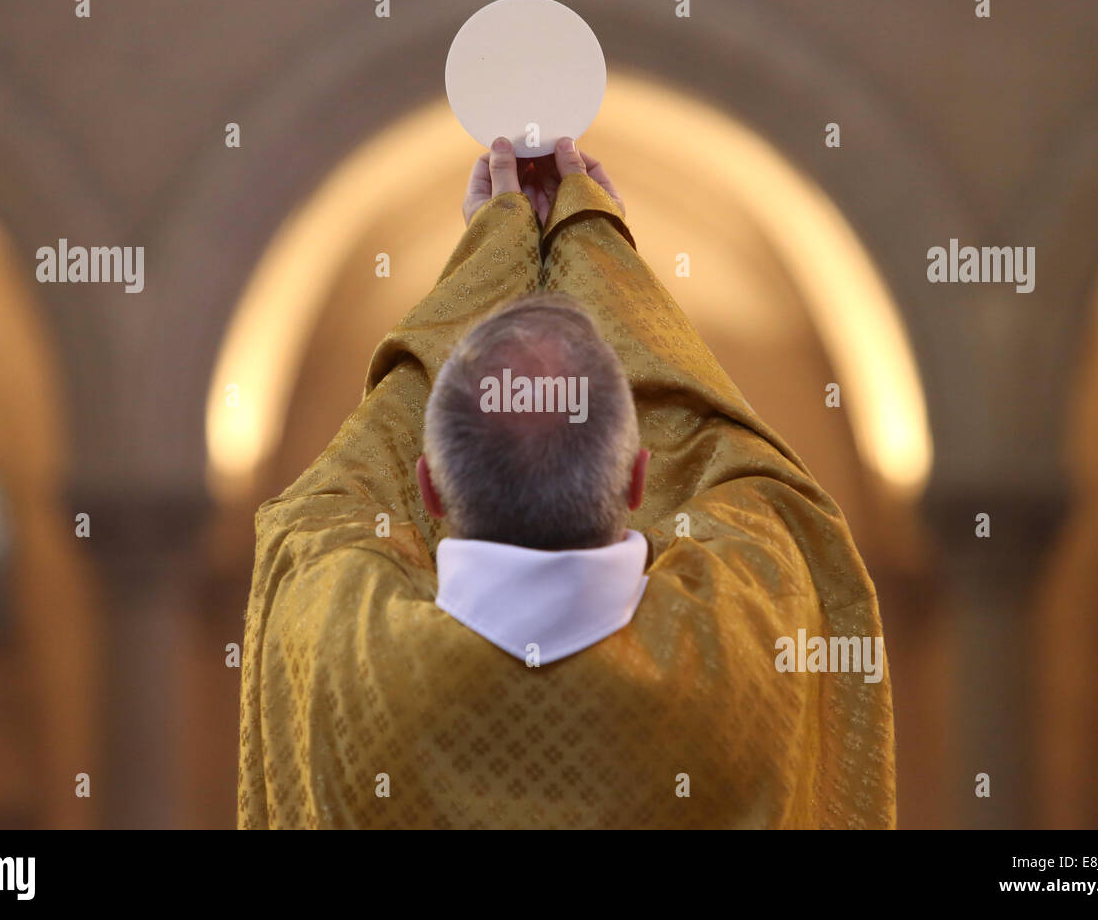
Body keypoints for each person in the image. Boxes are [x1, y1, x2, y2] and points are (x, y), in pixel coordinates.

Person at [238, 137, 896, 828]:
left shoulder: (343, 645)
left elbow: (335, 487)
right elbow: (750, 470)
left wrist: (493, 256)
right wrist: (596, 241)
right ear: (640, 477)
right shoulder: (738, 649)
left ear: (428, 487)